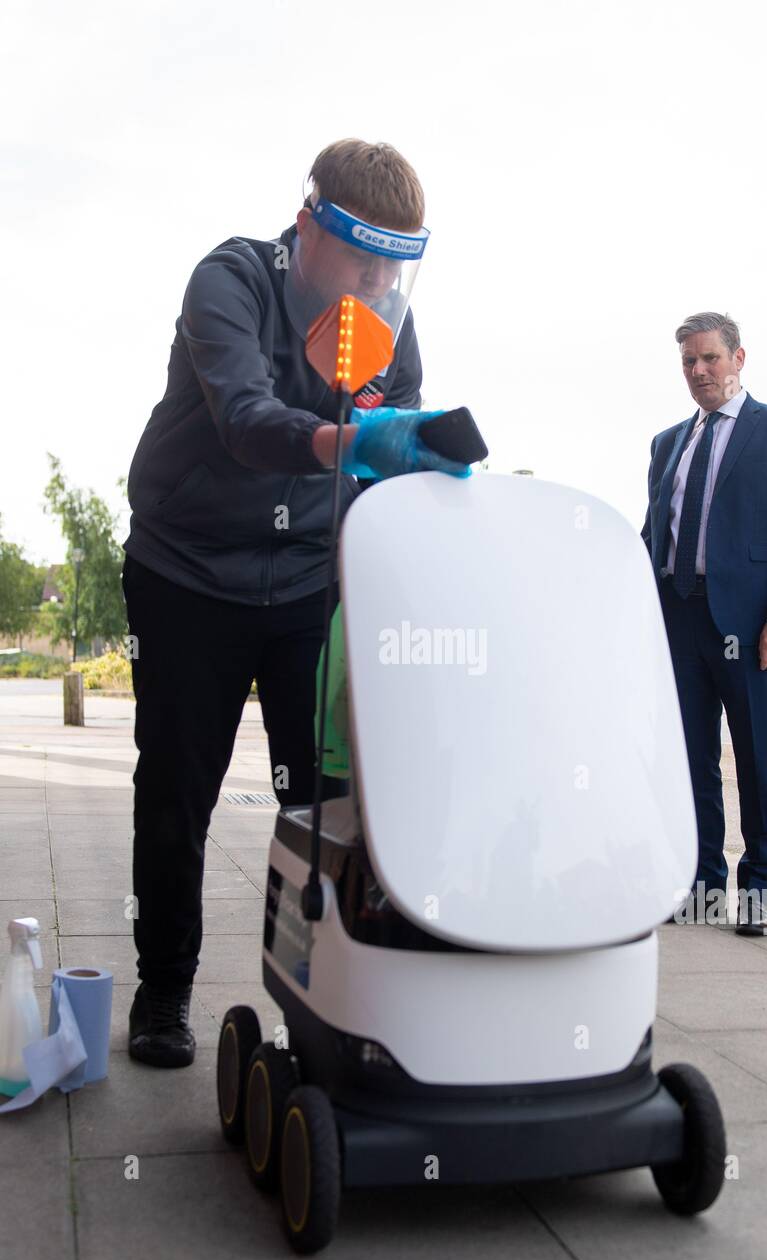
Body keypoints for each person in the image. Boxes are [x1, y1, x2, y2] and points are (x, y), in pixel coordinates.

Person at [122, 139, 467, 1068]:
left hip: (306, 579)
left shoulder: (387, 326)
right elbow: (244, 422)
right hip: (188, 570)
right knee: (175, 793)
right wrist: (353, 441)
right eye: (362, 260)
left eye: (394, 268)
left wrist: (418, 479)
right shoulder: (230, 279)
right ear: (310, 225)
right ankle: (163, 991)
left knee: (319, 801)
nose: (377, 285)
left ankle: (315, 998)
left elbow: (395, 455)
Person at [641, 312, 767, 935]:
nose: (698, 372)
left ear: (739, 358)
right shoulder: (668, 443)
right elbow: (653, 537)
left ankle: (761, 891)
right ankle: (702, 886)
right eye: (688, 362)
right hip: (680, 620)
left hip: (751, 629)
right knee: (690, 763)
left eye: (709, 359)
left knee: (758, 761)